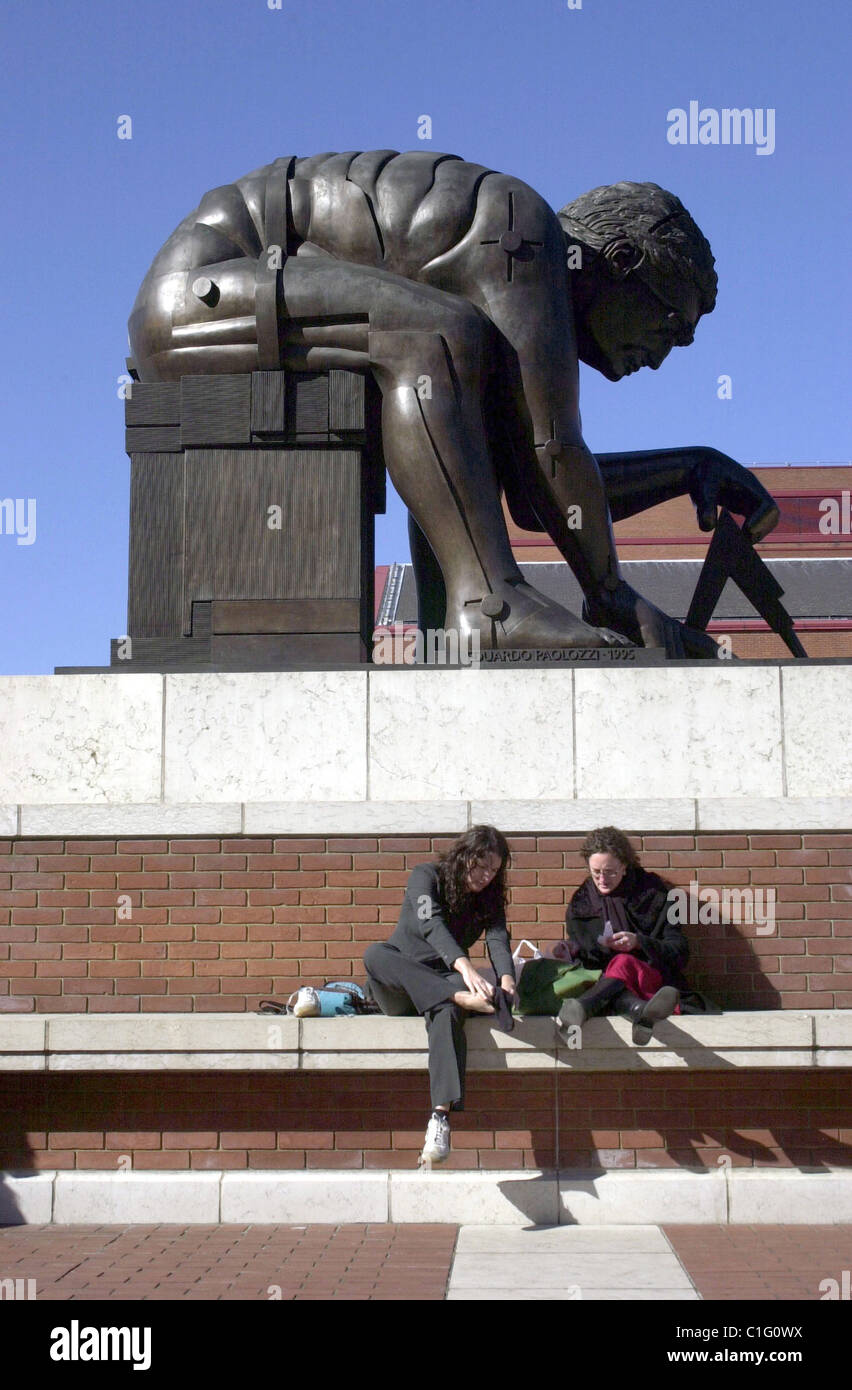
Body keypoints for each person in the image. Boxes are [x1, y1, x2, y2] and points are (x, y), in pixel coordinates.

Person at [129, 151, 779, 656]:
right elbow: (554, 450)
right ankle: (487, 609)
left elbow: (528, 485)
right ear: (622, 258)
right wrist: (609, 595)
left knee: (452, 408)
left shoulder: (507, 274)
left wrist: (689, 468)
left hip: (235, 295)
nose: (661, 355)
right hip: (195, 294)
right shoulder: (525, 236)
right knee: (435, 336)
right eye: (668, 324)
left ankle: (455, 629)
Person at [363, 824, 515, 1165]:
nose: (486, 876)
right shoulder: (425, 876)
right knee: (374, 954)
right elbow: (429, 922)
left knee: (446, 1013)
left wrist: (507, 980)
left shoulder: (489, 898)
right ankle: (456, 997)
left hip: (443, 984)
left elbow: (498, 939)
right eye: (480, 866)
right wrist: (465, 969)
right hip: (401, 980)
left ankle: (440, 1118)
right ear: (464, 857)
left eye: (494, 870)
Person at [556, 826, 715, 1045]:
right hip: (607, 988)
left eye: (610, 872)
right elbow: (585, 960)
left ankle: (582, 1007)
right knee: (615, 973)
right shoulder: (581, 903)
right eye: (596, 873)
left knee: (623, 961)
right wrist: (569, 950)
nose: (602, 879)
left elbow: (679, 952)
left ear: (624, 866)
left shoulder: (654, 894)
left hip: (652, 980)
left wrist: (639, 942)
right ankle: (639, 1012)